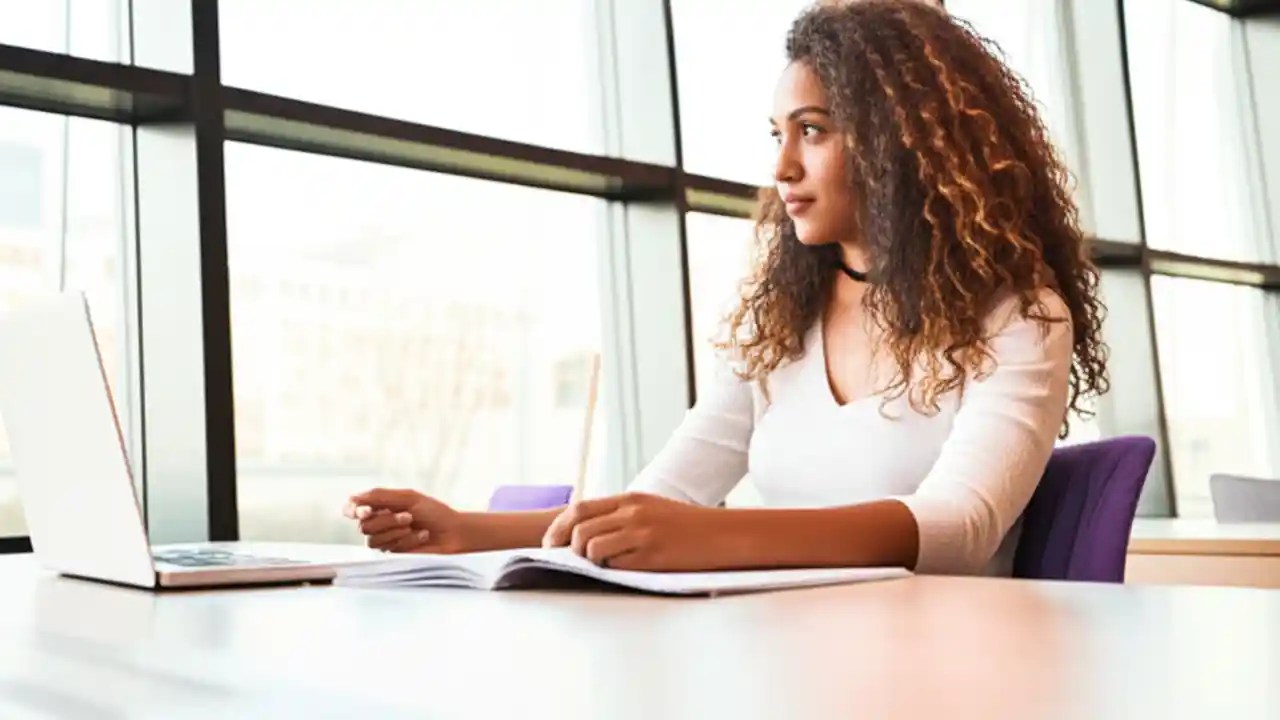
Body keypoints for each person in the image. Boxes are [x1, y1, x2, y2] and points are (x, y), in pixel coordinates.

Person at [341, 0, 1108, 576]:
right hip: (787, 653)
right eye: (777, 134)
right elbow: (663, 495)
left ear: (901, 141)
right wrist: (465, 531)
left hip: (947, 670)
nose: (781, 168)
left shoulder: (1020, 316)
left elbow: (957, 525)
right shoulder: (785, 321)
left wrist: (717, 535)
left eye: (814, 130)